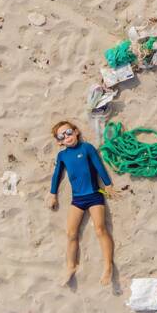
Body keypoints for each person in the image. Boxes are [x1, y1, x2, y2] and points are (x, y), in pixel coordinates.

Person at [46, 120, 116, 286]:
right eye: (62, 136)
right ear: (59, 142)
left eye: (69, 132)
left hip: (94, 195)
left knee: (100, 229)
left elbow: (98, 166)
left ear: (76, 131)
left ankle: (108, 266)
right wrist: (52, 194)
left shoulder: (87, 148)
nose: (67, 137)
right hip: (77, 199)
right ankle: (71, 266)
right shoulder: (62, 155)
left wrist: (107, 184)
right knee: (71, 234)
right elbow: (57, 175)